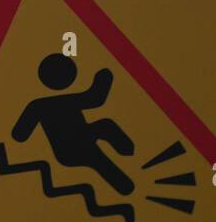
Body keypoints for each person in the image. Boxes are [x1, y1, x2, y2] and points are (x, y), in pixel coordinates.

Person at [12, 53, 135, 195]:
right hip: (71, 148)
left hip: (75, 145)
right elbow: (95, 98)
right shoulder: (43, 105)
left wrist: (105, 76)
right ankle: (127, 157)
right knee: (102, 143)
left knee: (103, 135)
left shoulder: (39, 105)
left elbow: (19, 135)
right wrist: (105, 76)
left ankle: (128, 155)